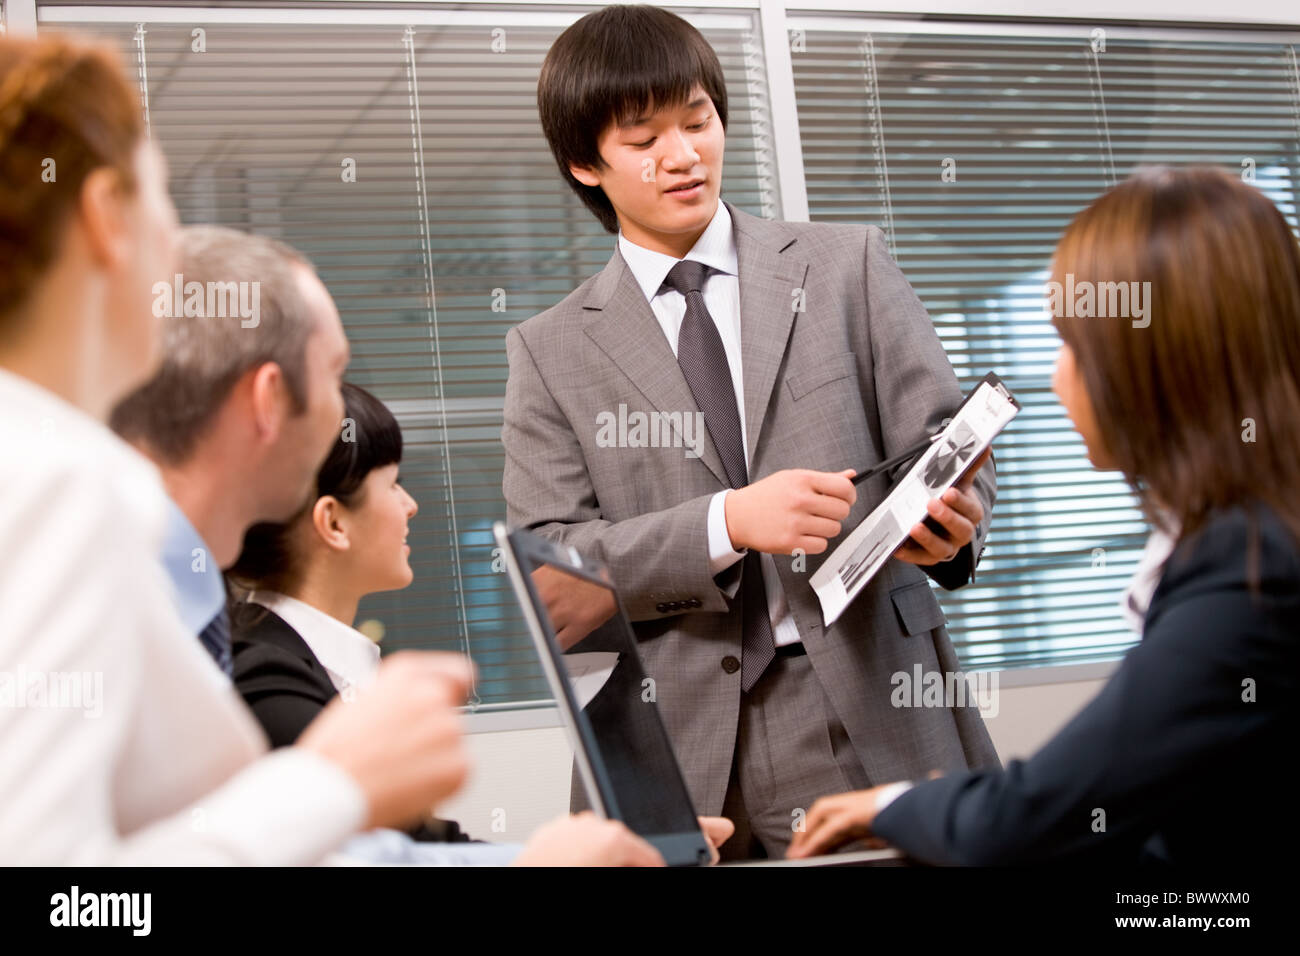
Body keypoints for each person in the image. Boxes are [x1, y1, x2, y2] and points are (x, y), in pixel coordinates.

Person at [504, 4, 999, 859]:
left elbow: (942, 445)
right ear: (587, 164)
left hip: (871, 697)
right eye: (644, 137)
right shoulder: (549, 351)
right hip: (682, 740)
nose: (684, 154)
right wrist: (725, 525)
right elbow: (555, 576)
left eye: (697, 120)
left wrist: (952, 522)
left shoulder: (848, 268)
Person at [0, 32, 472, 864]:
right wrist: (335, 782)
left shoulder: (91, 497)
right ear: (107, 217)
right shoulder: (56, 483)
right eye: (164, 204)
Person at [787, 165, 1300, 865]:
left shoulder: (1250, 566)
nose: (1056, 376)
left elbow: (1046, 813)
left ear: (1153, 363)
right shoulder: (1250, 536)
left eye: (1072, 345)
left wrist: (898, 805)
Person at [225, 380, 734, 864]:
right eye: (392, 485)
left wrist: (612, 851)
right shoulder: (268, 682)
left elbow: (424, 844)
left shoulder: (318, 666)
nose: (411, 505)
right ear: (334, 523)